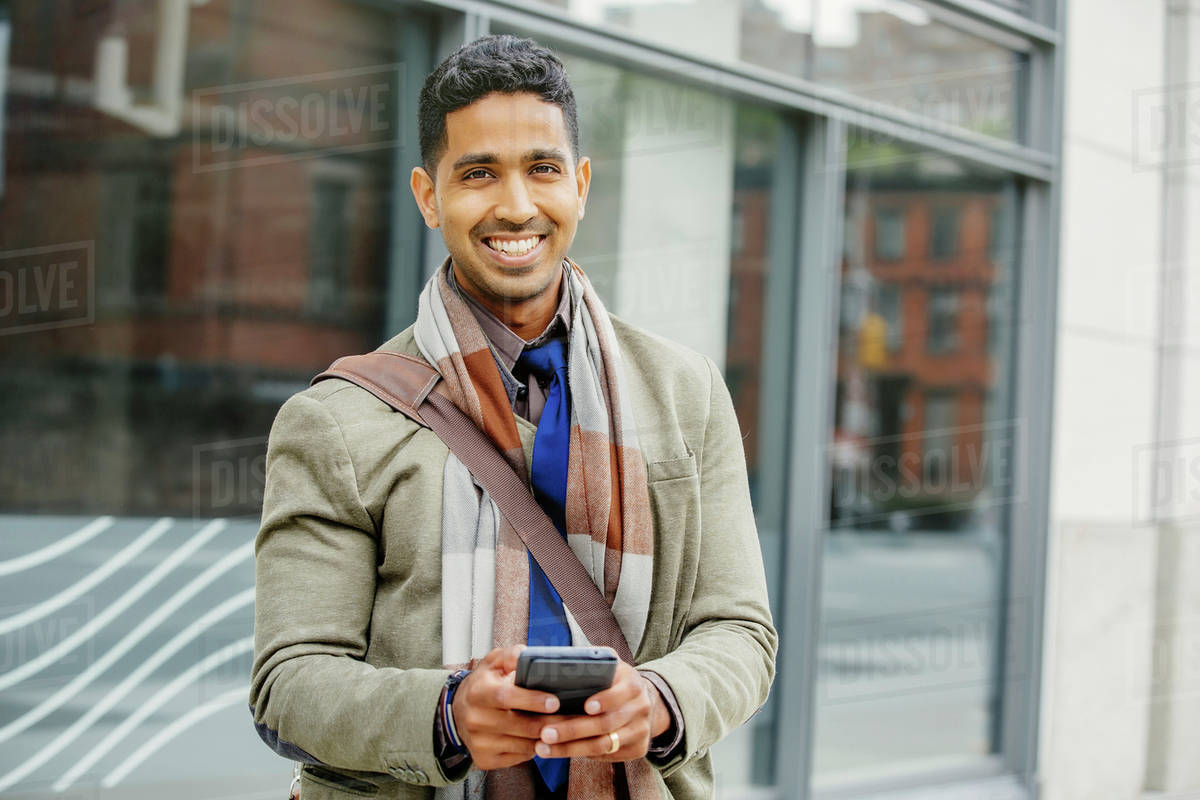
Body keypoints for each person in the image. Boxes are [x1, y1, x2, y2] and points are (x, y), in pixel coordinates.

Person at [250, 34, 777, 800]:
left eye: (542, 169)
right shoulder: (336, 421)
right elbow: (288, 685)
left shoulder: (683, 390)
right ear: (429, 197)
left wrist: (659, 702)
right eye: (478, 174)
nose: (517, 206)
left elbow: (740, 633)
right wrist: (446, 716)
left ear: (581, 184)